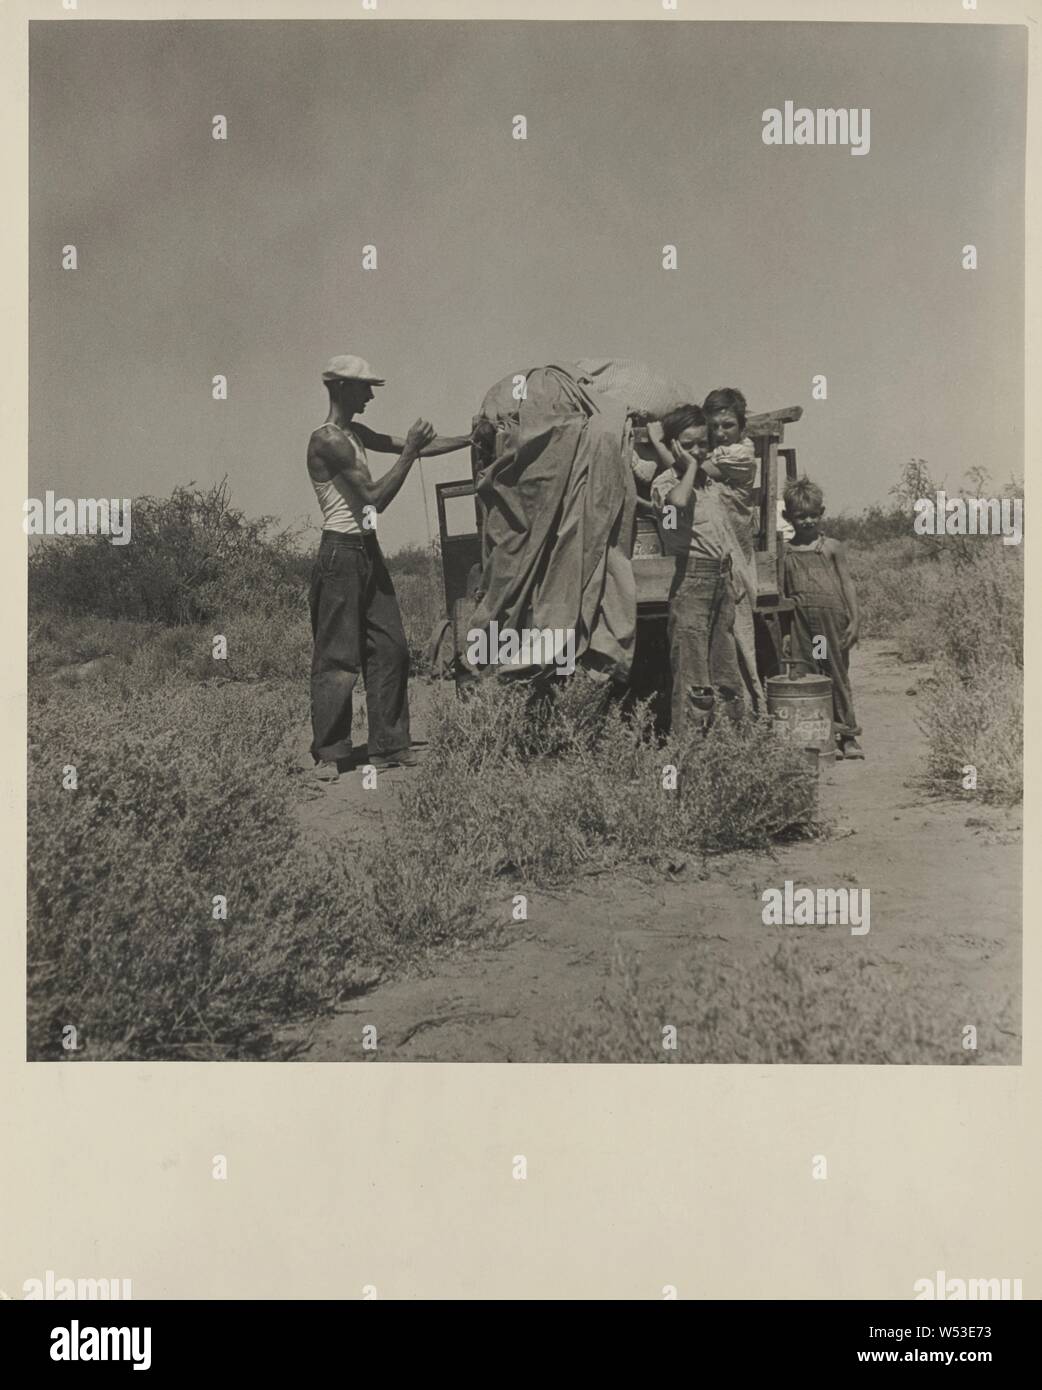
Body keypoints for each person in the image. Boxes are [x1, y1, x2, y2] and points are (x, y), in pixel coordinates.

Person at [306, 354, 471, 782]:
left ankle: (388, 747)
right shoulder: (328, 441)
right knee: (338, 658)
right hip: (341, 552)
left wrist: (471, 438)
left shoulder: (354, 434)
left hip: (365, 549)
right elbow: (374, 498)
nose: (371, 395)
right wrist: (412, 452)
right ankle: (330, 753)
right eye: (365, 388)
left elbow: (409, 446)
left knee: (391, 647)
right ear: (342, 388)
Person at [648, 404, 745, 738]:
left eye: (702, 443)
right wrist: (687, 465)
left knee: (726, 670)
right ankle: (691, 754)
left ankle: (731, 747)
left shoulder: (709, 483)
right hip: (692, 582)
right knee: (693, 678)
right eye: (688, 445)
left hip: (721, 578)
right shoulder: (666, 484)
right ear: (674, 446)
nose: (698, 451)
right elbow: (675, 505)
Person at [781, 476, 864, 759]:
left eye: (812, 515)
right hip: (803, 621)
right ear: (787, 517)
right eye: (800, 516)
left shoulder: (831, 547)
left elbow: (847, 583)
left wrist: (855, 620)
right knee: (812, 672)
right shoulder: (786, 552)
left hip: (832, 620)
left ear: (822, 513)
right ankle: (823, 735)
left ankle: (848, 736)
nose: (807, 521)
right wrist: (786, 631)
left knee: (836, 672)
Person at [701, 387, 763, 706]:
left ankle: (753, 712)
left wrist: (662, 445)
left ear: (741, 427)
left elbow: (696, 471)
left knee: (740, 639)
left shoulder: (740, 455)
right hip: (714, 556)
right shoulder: (713, 452)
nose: (720, 433)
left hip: (735, 560)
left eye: (727, 425)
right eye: (713, 427)